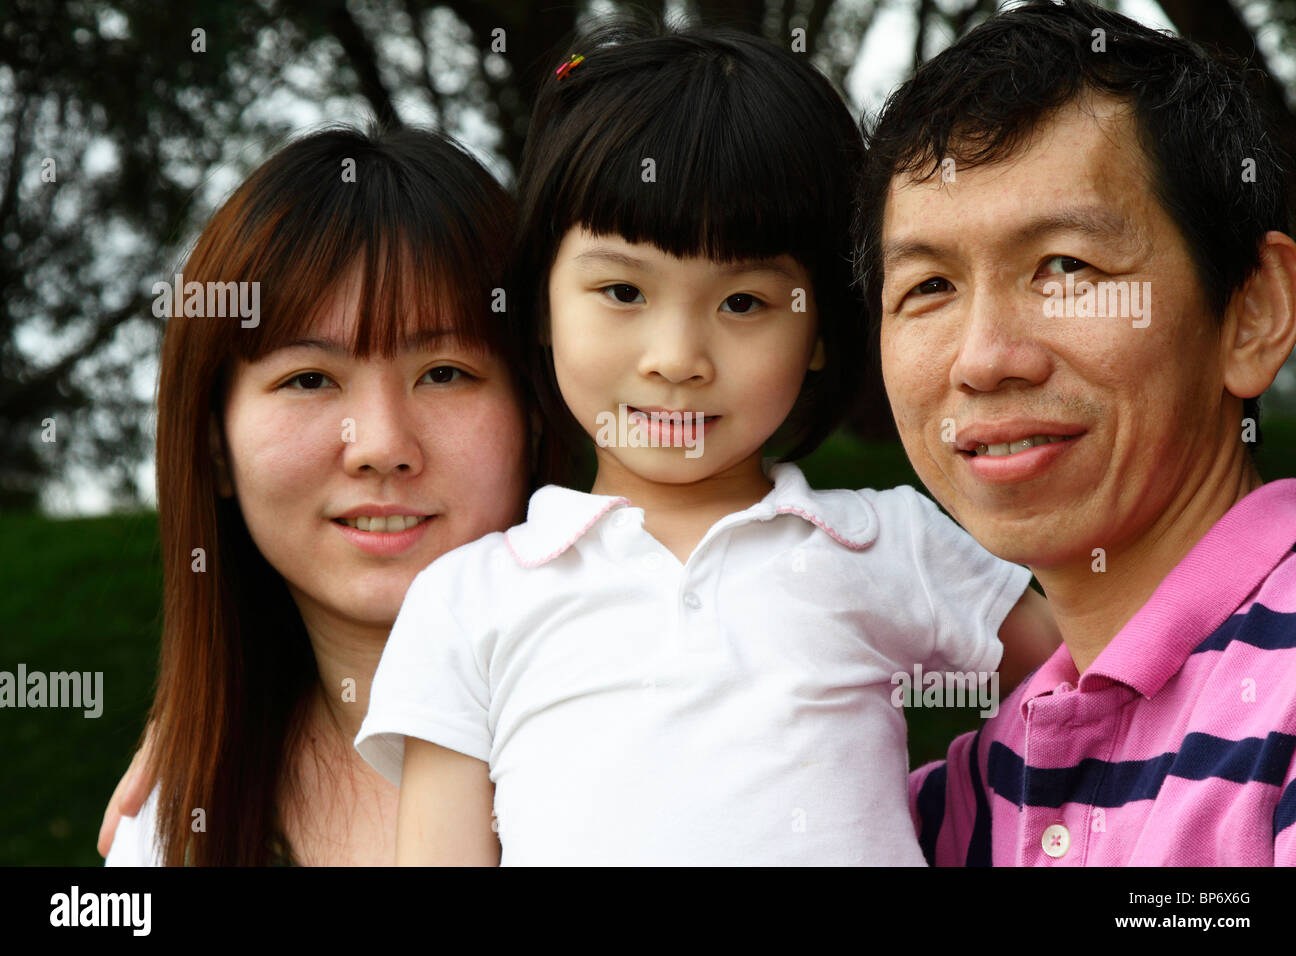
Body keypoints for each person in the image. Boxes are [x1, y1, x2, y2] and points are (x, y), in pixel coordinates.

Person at [353, 15, 1061, 866]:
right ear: (541, 303)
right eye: (621, 290)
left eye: (743, 304)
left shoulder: (888, 544)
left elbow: (1096, 679)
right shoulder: (467, 603)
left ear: (823, 331)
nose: (677, 360)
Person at [854, 0, 1296, 864]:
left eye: (1066, 266)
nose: (984, 360)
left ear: (1253, 314)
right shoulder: (950, 806)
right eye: (929, 287)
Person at [101, 124, 536, 865]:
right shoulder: (171, 829)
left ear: (534, 410)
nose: (381, 446)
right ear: (215, 448)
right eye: (309, 379)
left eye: (444, 372)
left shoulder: (679, 711)